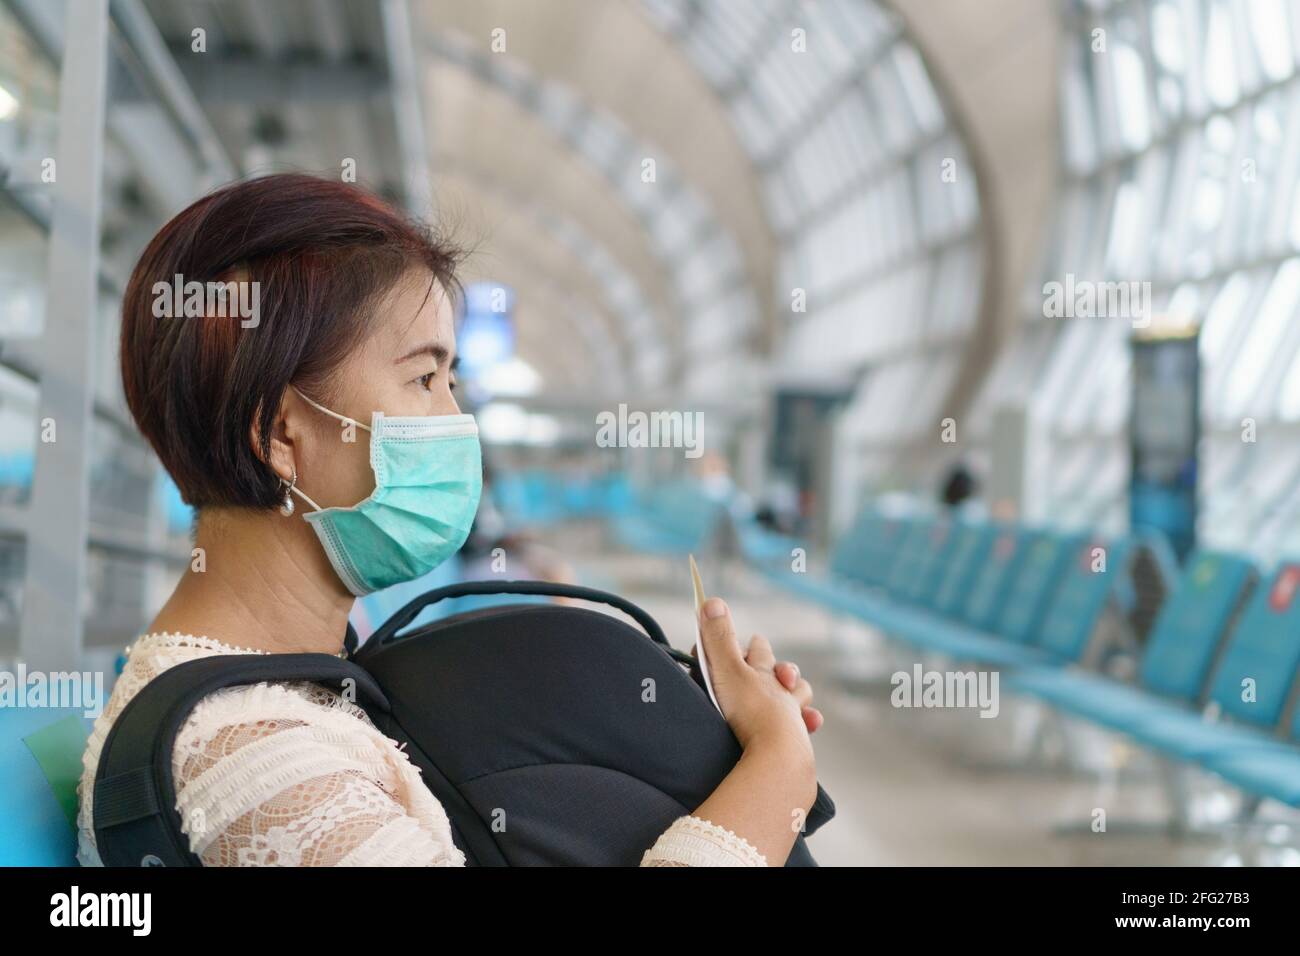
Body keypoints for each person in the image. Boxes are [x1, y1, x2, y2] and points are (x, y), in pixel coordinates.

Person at [78, 173, 823, 867]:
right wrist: (778, 769)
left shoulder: (295, 690)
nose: (456, 420)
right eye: (424, 378)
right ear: (278, 434)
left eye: (453, 379)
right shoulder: (248, 759)